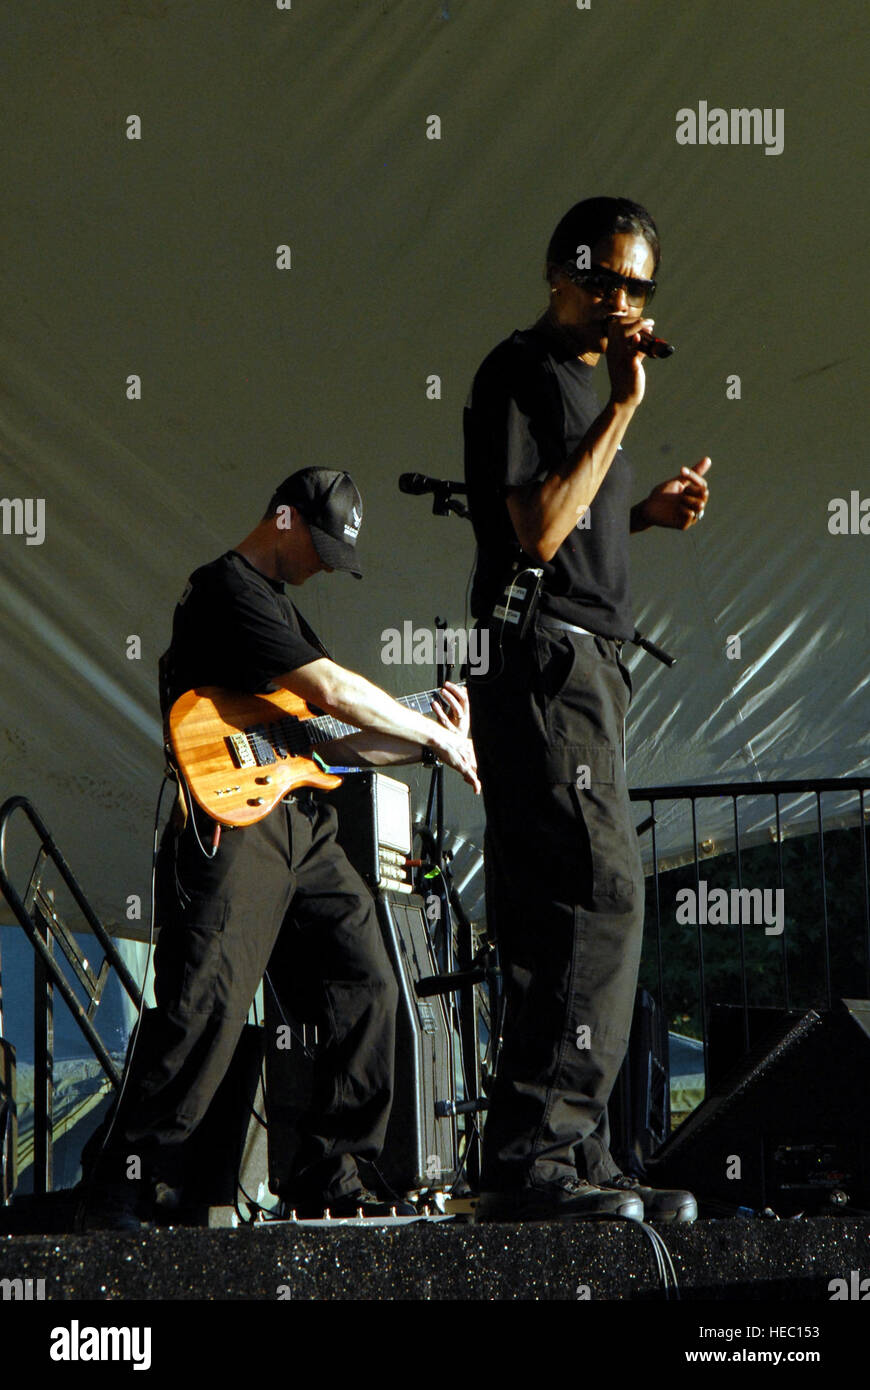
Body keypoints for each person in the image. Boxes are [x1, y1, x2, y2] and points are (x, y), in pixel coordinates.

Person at [80, 467, 479, 1229]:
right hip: (234, 823)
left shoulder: (288, 619)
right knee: (205, 1006)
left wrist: (434, 739)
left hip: (304, 824)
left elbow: (334, 739)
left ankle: (335, 1175)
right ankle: (122, 1187)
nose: (324, 565)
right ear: (285, 518)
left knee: (368, 984)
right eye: (321, 546)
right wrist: (422, 725)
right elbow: (332, 693)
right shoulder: (226, 590)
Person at [464, 197, 710, 1224]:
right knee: (600, 890)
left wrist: (643, 513)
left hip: (591, 666)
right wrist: (623, 404)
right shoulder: (518, 372)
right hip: (540, 663)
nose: (619, 300)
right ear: (556, 276)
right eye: (600, 279)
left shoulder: (582, 383)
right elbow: (534, 533)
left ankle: (569, 1147)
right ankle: (541, 1155)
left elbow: (585, 517)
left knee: (566, 903)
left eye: (636, 285)